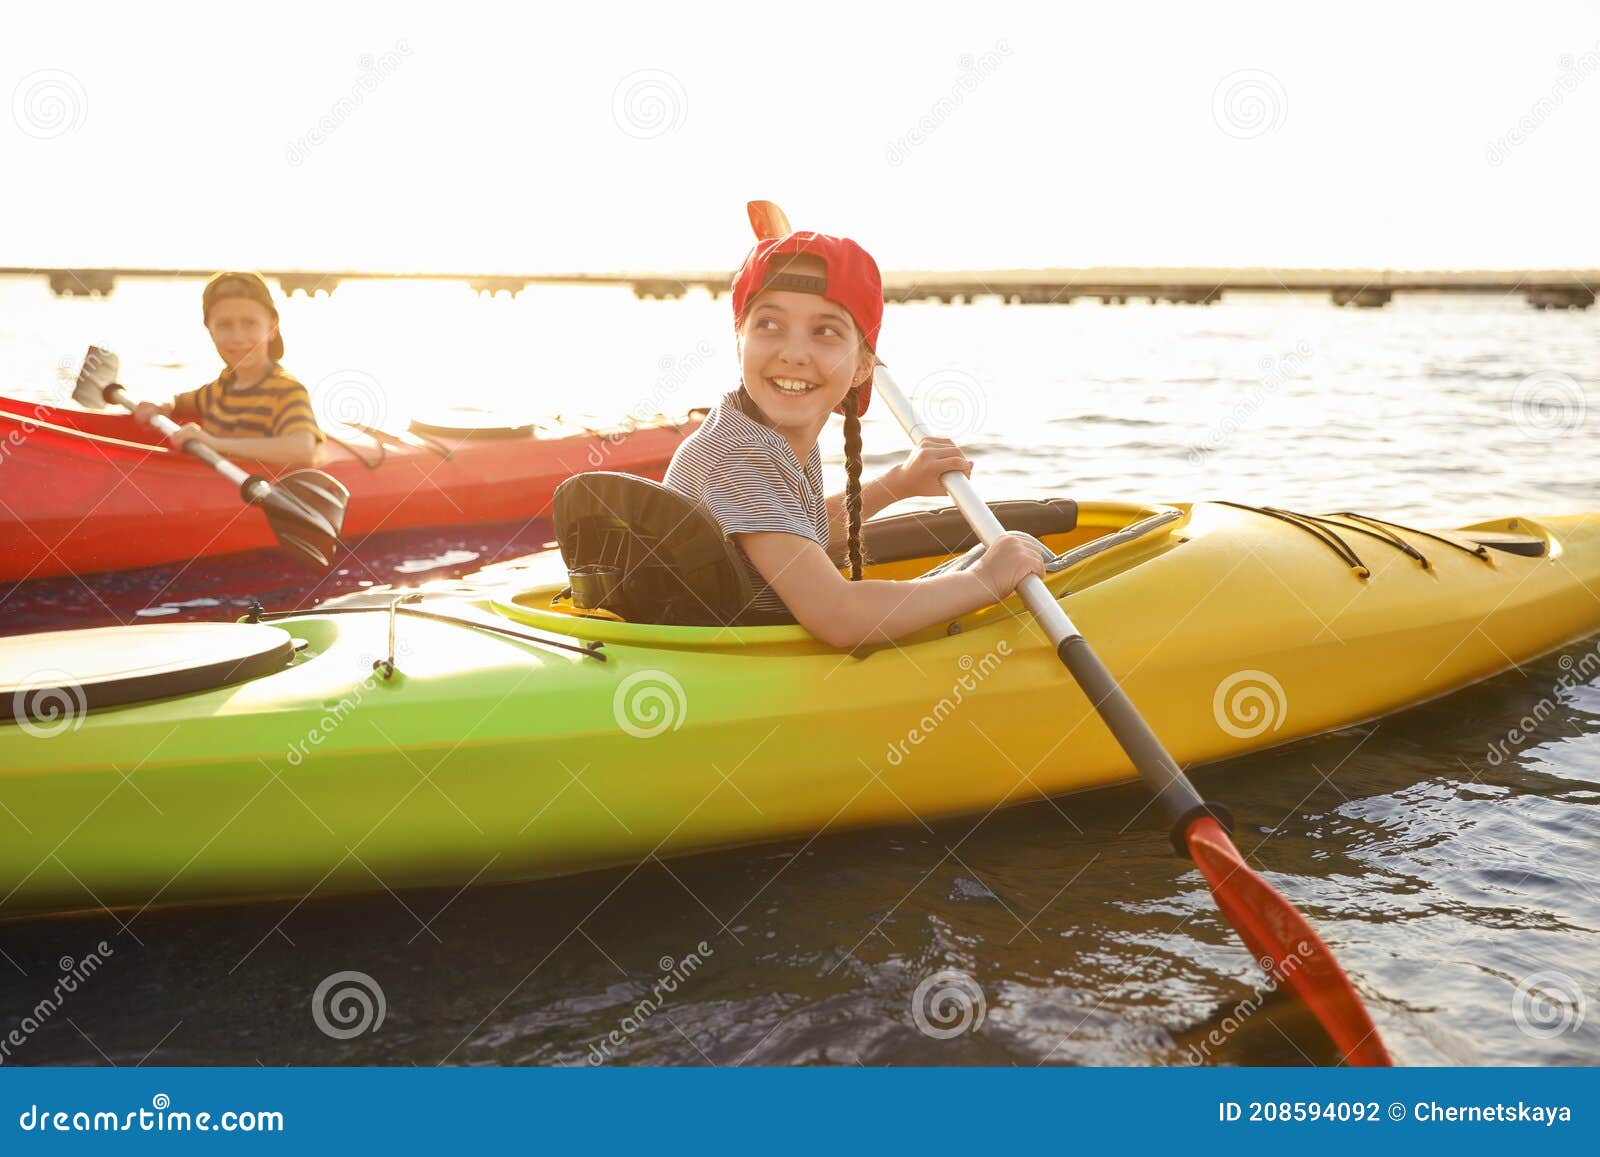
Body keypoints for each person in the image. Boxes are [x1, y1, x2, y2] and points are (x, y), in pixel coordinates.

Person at [663, 228, 1045, 648]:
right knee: (1014, 558)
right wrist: (985, 580)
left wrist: (897, 484)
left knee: (1022, 548)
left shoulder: (759, 427)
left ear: (863, 368)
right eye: (769, 323)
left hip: (749, 650)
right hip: (735, 675)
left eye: (825, 331)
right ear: (740, 344)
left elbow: (798, 533)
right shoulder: (739, 457)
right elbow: (839, 617)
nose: (793, 353)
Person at [132, 271, 323, 467]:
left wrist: (215, 444)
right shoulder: (218, 390)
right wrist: (160, 406)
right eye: (224, 325)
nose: (238, 337)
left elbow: (303, 452)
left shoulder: (287, 391)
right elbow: (176, 402)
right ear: (210, 331)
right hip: (211, 491)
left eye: (250, 323)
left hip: (258, 493)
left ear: (272, 327)